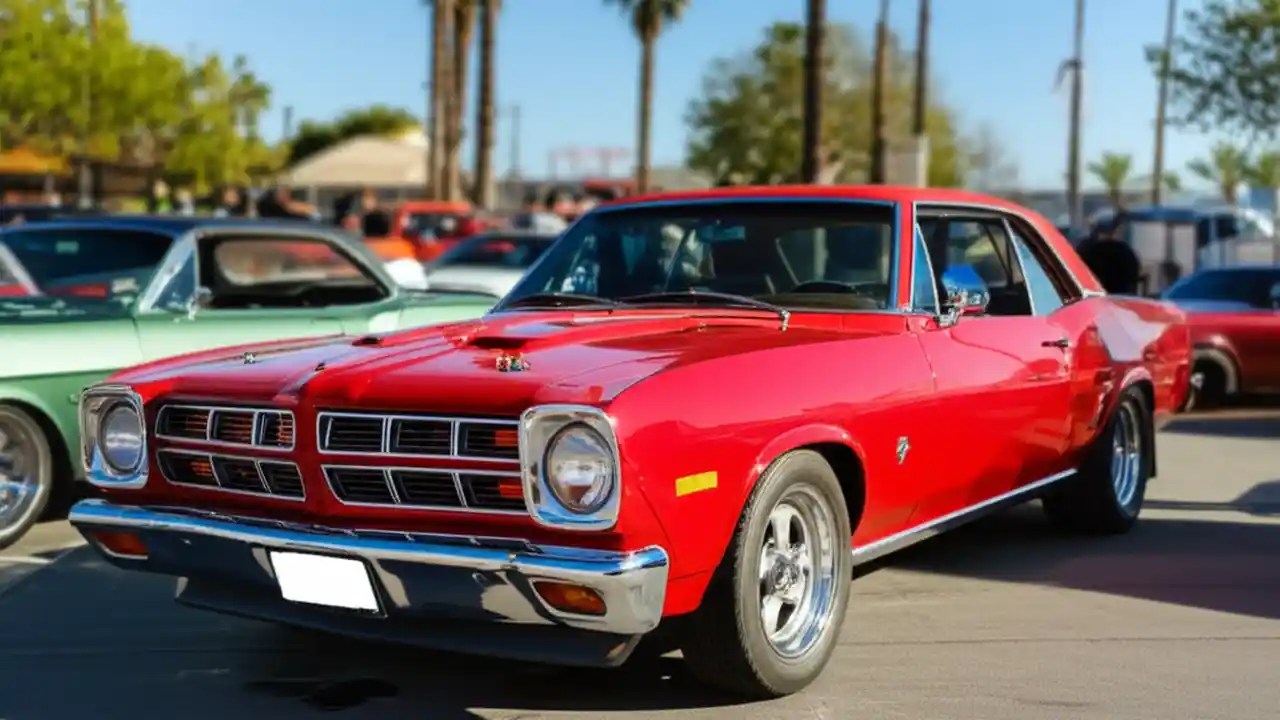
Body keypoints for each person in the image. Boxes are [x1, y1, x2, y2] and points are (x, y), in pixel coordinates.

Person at [1076, 211, 1142, 295]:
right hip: (1119, 301)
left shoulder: (1083, 249)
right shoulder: (1124, 252)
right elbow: (1134, 275)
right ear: (1115, 230)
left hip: (1090, 301)